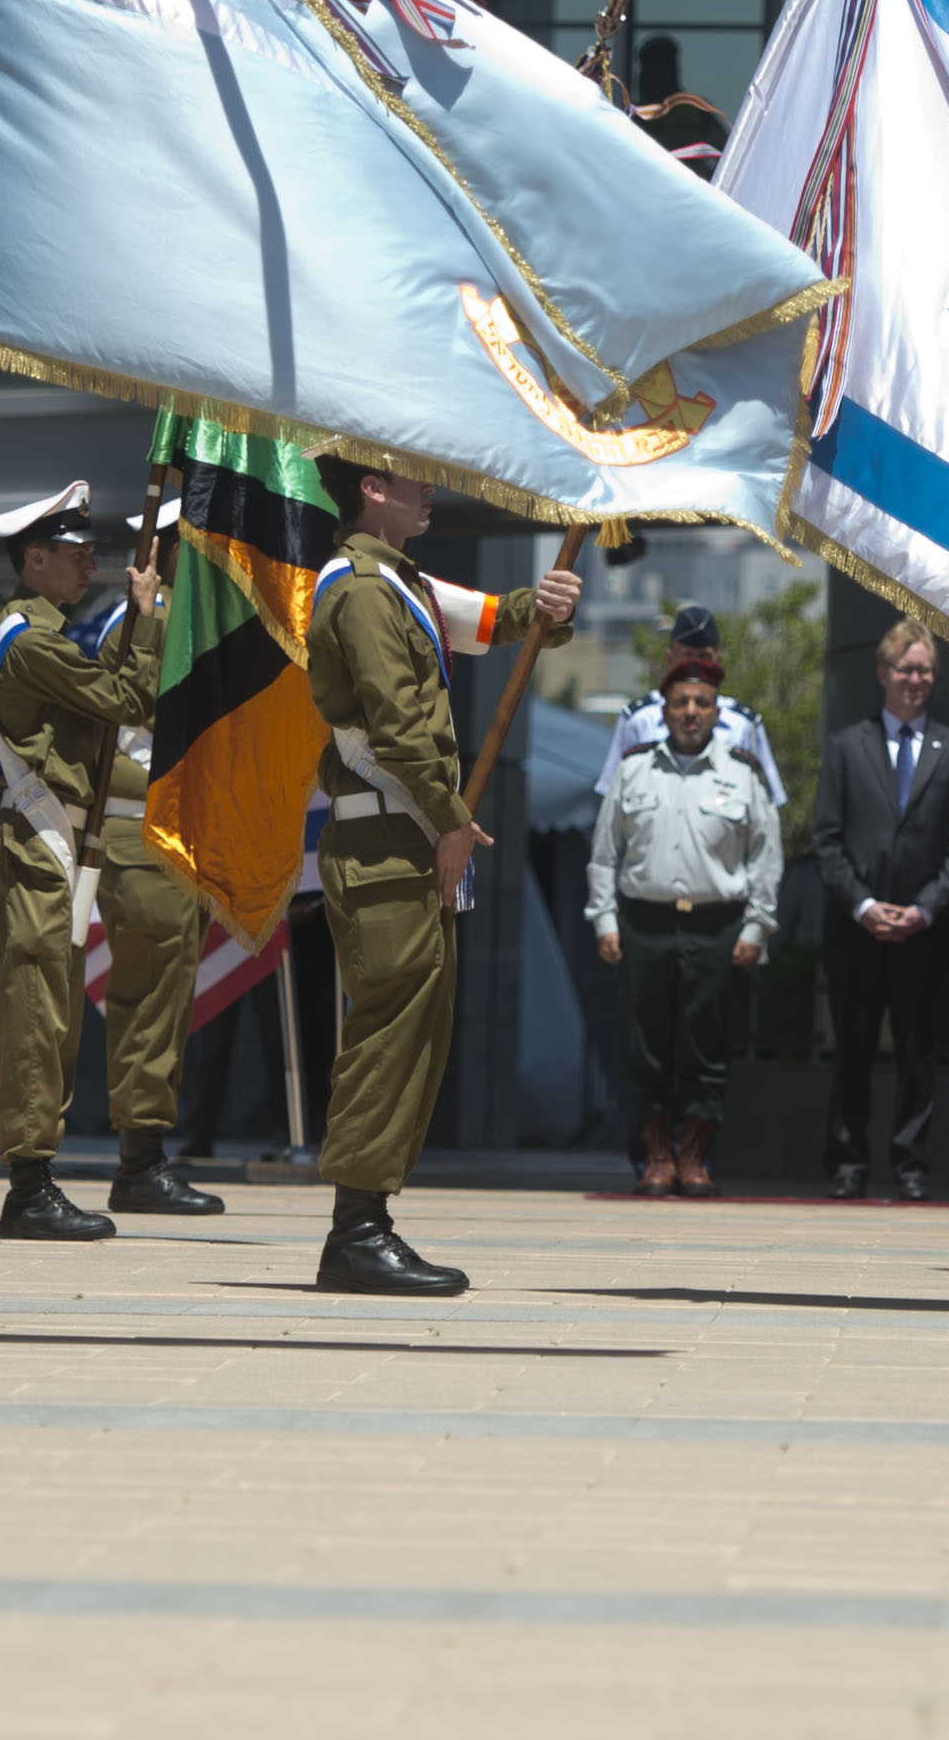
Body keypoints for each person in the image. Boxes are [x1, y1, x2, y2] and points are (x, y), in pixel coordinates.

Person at [300, 454, 576, 1294]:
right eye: (411, 478)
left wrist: (548, 608)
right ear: (370, 491)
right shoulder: (358, 590)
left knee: (417, 1033)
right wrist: (451, 819)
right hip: (389, 839)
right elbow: (395, 725)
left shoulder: (398, 583)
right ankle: (354, 1230)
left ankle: (369, 1217)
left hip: (405, 838)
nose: (430, 488)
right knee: (388, 1030)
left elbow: (487, 618)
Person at [0, 482, 165, 1241]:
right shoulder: (27, 640)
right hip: (38, 841)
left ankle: (35, 1175)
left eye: (92, 552)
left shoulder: (43, 633)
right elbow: (128, 697)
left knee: (50, 1008)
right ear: (34, 557)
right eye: (75, 554)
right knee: (37, 1010)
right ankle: (28, 1182)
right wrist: (145, 620)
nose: (91, 565)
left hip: (47, 842)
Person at [584, 652, 775, 1196]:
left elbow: (766, 856)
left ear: (717, 713)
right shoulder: (634, 768)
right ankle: (657, 1157)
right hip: (642, 922)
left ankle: (695, 1159)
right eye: (681, 703)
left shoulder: (743, 772)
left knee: (705, 1046)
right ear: (664, 712)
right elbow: (604, 854)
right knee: (647, 1046)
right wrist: (604, 921)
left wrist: (756, 929)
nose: (691, 712)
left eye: (702, 703)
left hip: (717, 925)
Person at [84, 497, 224, 1217]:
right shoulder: (154, 617)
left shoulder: (167, 614)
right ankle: (139, 1162)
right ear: (169, 547)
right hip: (145, 832)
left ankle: (143, 1155)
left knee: (163, 999)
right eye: (200, 545)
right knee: (150, 999)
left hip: (166, 833)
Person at [808, 621, 949, 1201]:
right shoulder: (845, 746)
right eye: (906, 669)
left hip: (922, 932)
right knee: (852, 1047)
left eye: (925, 670)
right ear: (883, 673)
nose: (916, 679)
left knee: (917, 1051)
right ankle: (848, 1161)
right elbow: (826, 841)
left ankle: (910, 1163)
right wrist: (862, 905)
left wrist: (924, 910)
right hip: (857, 930)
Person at [592, 603, 785, 809]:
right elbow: (611, 796)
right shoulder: (639, 720)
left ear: (718, 660)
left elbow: (767, 805)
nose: (696, 667)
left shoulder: (744, 725)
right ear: (670, 658)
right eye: (687, 656)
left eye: (705, 658)